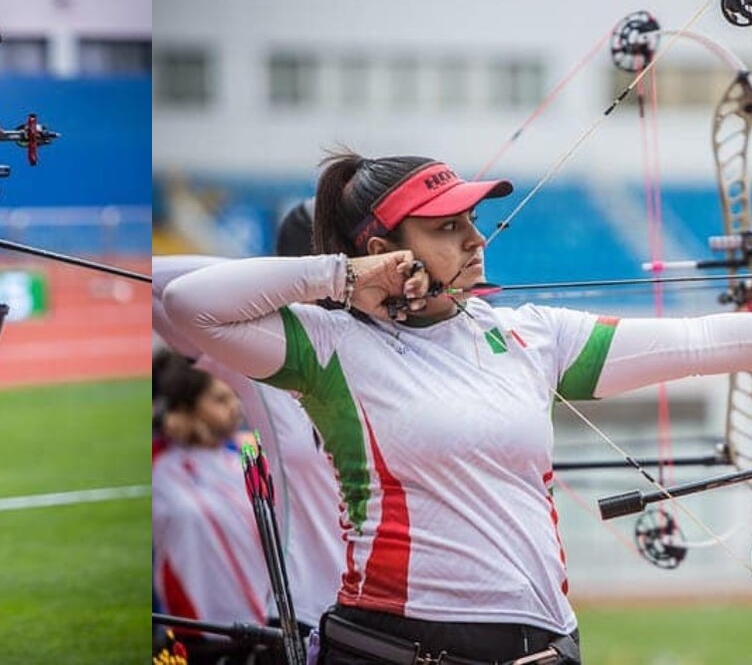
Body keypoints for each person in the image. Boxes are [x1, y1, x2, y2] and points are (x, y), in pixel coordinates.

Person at [162, 151, 752, 664]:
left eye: (471, 220)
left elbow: (704, 342)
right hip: (401, 643)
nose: (475, 239)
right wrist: (341, 277)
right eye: (446, 227)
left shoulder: (535, 336)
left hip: (545, 643)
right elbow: (190, 302)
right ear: (382, 251)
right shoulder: (330, 345)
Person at [153, 198, 345, 635]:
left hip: (394, 620)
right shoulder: (267, 355)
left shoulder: (395, 350)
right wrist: (299, 279)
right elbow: (160, 286)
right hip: (305, 614)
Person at [152, 349, 274, 664]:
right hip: (194, 634)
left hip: (264, 625)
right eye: (219, 399)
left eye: (233, 395)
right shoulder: (159, 465)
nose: (234, 407)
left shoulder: (250, 452)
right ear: (185, 409)